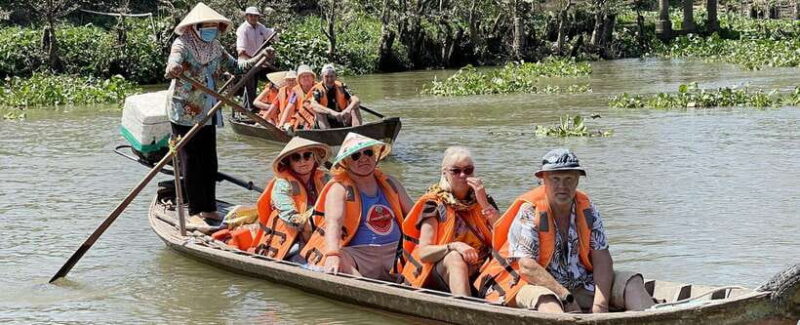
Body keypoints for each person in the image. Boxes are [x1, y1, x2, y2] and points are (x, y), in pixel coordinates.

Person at [474, 148, 655, 313]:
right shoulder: (529, 212)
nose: (563, 186)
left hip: (580, 282)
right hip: (529, 284)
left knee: (631, 282)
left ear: (577, 180)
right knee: (548, 301)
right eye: (555, 179)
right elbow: (527, 267)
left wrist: (600, 305)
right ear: (543, 180)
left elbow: (602, 258)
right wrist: (566, 298)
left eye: (569, 178)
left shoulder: (588, 210)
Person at [164, 3, 267, 222]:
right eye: (207, 26)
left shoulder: (215, 47)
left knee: (209, 161)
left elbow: (239, 67)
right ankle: (193, 212)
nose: (211, 29)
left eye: (214, 26)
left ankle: (208, 207)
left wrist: (259, 58)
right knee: (191, 162)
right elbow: (173, 61)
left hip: (209, 110)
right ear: (197, 26)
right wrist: (173, 68)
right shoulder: (182, 44)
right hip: (185, 111)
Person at [300, 133, 413, 281]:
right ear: (346, 162)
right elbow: (334, 223)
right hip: (359, 255)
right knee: (340, 257)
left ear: (375, 156)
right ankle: (365, 289)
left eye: (368, 152)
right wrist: (332, 255)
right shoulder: (339, 189)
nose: (363, 158)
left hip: (396, 252)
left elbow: (415, 215)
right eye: (355, 156)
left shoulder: (391, 183)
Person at [402, 146, 500, 296]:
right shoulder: (434, 204)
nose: (462, 175)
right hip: (440, 270)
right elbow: (424, 252)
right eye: (455, 171)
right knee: (455, 257)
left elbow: (504, 236)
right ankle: (465, 305)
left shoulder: (483, 199)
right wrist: (454, 246)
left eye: (468, 170)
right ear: (445, 173)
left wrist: (485, 204)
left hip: (480, 266)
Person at [251, 137, 331, 261]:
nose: (302, 161)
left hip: (324, 233)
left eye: (307, 155)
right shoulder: (282, 184)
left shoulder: (325, 178)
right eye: (296, 157)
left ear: (314, 157)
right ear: (289, 162)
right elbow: (293, 219)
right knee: (307, 224)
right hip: (293, 240)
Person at [236, 6, 277, 111]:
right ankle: (250, 109)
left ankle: (260, 104)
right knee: (250, 85)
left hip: (259, 61)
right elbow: (241, 52)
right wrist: (254, 60)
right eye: (251, 16)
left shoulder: (260, 27)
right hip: (246, 61)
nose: (253, 18)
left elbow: (271, 34)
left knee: (274, 77)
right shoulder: (242, 30)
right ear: (246, 16)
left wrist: (275, 32)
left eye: (255, 16)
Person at [307, 64, 363, 129]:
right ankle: (329, 135)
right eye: (326, 77)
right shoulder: (317, 90)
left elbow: (356, 100)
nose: (330, 79)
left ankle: (357, 132)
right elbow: (313, 105)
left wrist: (348, 109)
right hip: (326, 120)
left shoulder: (342, 87)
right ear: (322, 77)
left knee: (355, 107)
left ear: (335, 77)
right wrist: (332, 112)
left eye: (332, 76)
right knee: (319, 112)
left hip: (341, 117)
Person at [277, 65, 317, 130]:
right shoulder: (296, 91)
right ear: (299, 80)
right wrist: (280, 125)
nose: (306, 78)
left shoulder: (319, 88)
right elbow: (289, 108)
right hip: (300, 121)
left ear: (312, 78)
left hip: (316, 119)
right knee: (289, 125)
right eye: (303, 76)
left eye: (308, 76)